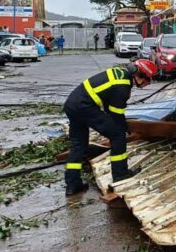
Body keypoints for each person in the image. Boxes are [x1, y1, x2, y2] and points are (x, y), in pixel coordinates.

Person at [63, 59, 157, 195]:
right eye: (147, 79)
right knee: (118, 135)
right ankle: (120, 174)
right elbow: (116, 114)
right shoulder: (123, 85)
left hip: (72, 105)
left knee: (78, 144)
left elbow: (109, 105)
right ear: (139, 75)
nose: (148, 83)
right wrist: (125, 129)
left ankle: (72, 185)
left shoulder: (119, 74)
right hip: (85, 107)